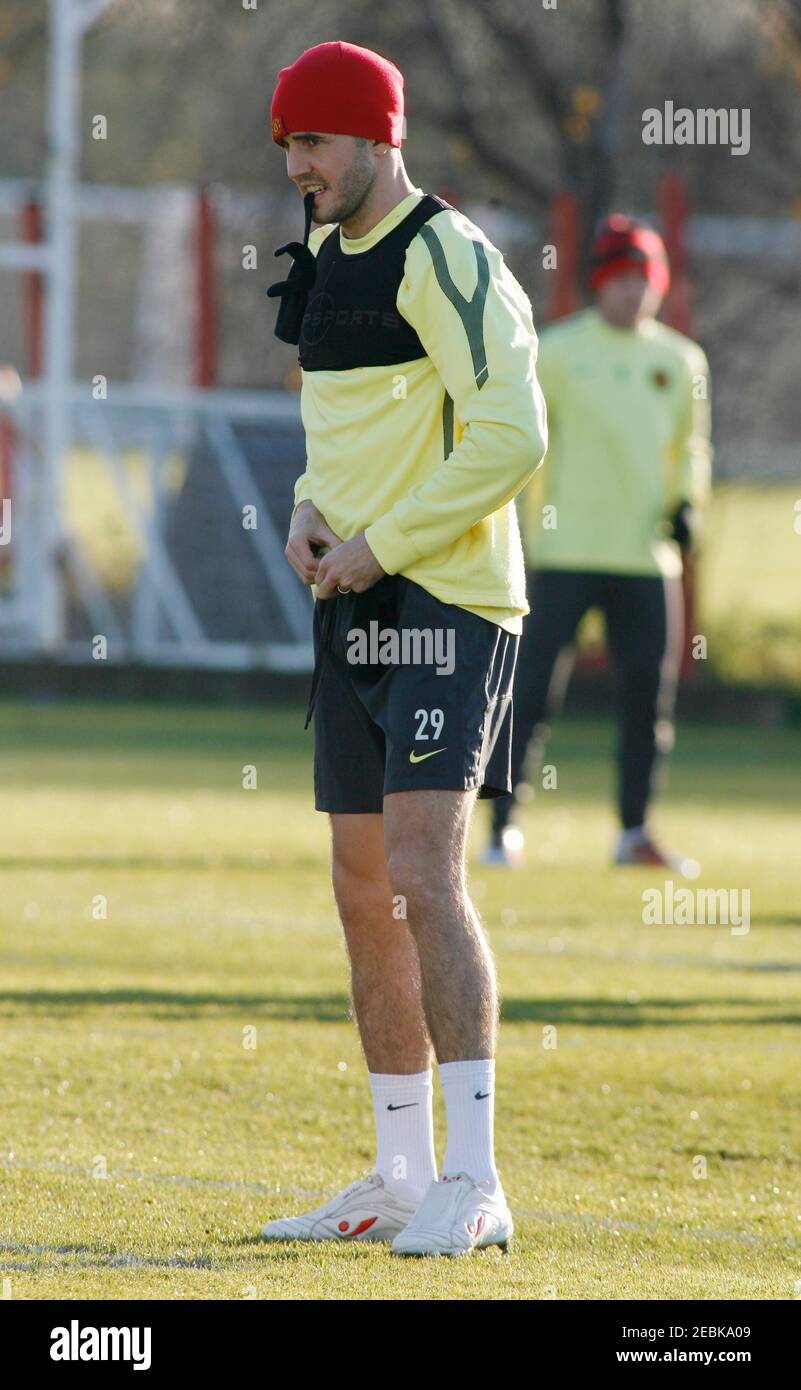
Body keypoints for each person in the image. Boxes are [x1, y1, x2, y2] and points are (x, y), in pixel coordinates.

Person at [260, 41, 547, 1256]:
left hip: (449, 602)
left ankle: (475, 1182)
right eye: (285, 149)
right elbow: (332, 423)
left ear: (379, 138)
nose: (299, 169)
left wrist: (384, 541)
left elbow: (512, 433)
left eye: (314, 144)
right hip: (354, 602)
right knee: (361, 894)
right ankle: (397, 1170)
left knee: (425, 876)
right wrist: (309, 514)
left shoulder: (449, 256)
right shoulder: (324, 254)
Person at [483, 214, 712, 873]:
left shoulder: (679, 360)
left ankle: (633, 832)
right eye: (620, 279)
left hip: (644, 558)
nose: (632, 293)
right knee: (528, 696)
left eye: (644, 280)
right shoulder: (552, 352)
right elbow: (516, 447)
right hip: (562, 552)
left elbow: (691, 449)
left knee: (647, 701)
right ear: (598, 282)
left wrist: (688, 505)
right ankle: (502, 830)